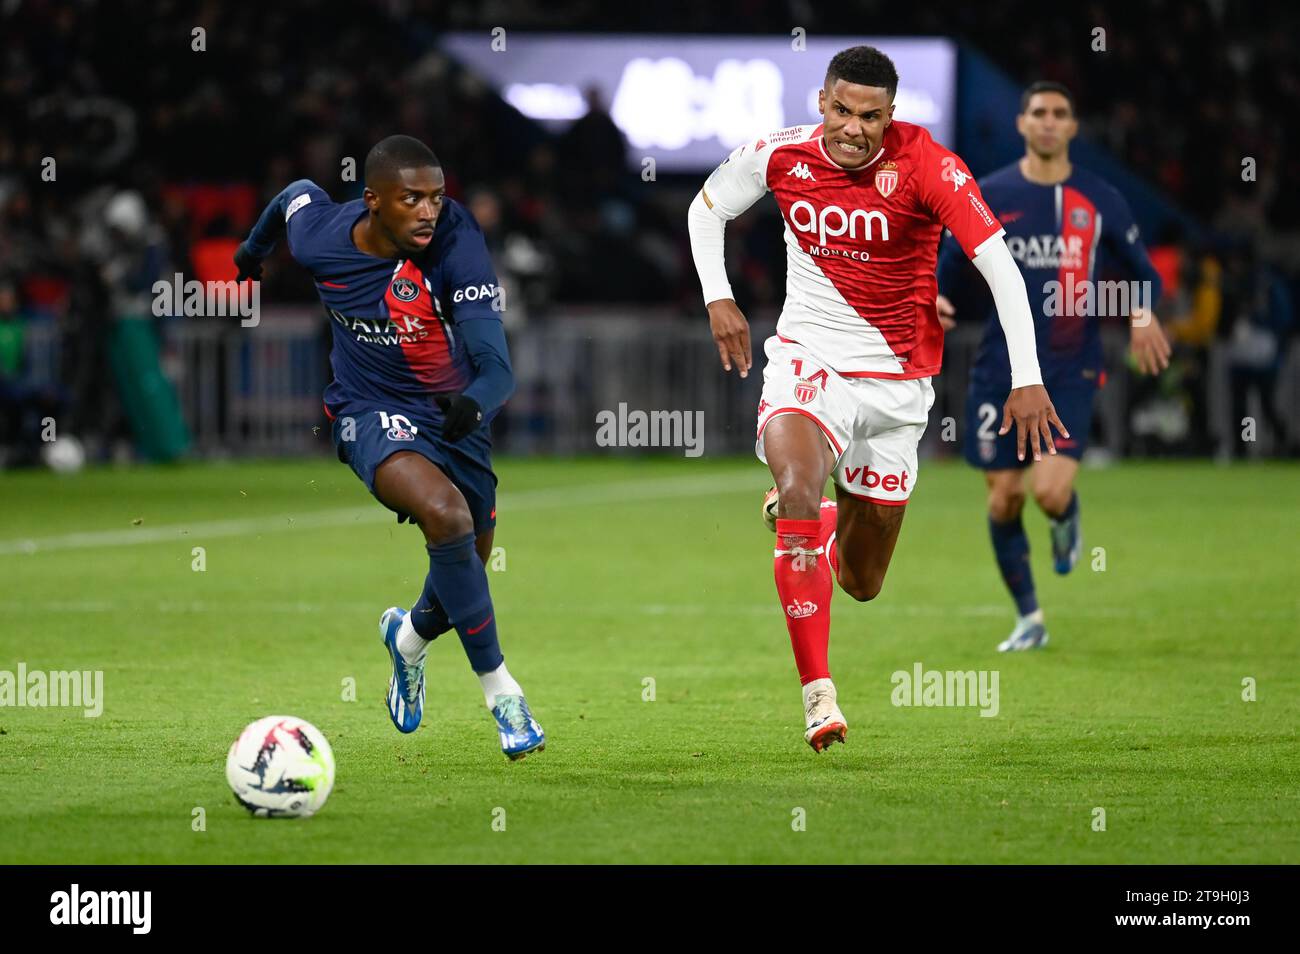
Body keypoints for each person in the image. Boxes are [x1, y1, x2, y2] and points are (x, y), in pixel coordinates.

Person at [687, 47, 1063, 752]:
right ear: (822, 101)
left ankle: (822, 523)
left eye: (870, 116)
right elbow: (706, 210)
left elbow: (1002, 271)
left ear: (891, 115)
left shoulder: (930, 166)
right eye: (841, 110)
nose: (853, 128)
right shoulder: (782, 156)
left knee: (862, 582)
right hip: (809, 364)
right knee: (796, 490)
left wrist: (1027, 377)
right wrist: (719, 297)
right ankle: (817, 697)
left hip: (897, 391)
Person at [234, 135, 544, 760]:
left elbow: (496, 365)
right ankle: (502, 694)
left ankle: (407, 639)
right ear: (374, 202)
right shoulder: (321, 236)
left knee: (467, 566)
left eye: (437, 196)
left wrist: (475, 401)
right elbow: (294, 196)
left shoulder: (456, 243)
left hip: (455, 414)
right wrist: (251, 250)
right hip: (367, 409)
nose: (430, 211)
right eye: (412, 199)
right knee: (447, 515)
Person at [936, 82, 1170, 651]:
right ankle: (1029, 620)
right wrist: (938, 302)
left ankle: (1068, 520)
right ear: (1021, 124)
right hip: (1000, 368)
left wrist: (1141, 312)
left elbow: (1144, 270)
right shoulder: (988, 195)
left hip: (1070, 369)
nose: (1047, 122)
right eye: (1037, 112)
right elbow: (946, 267)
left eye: (1059, 114)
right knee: (1003, 499)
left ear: (1072, 127)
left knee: (1049, 494)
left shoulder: (1100, 198)